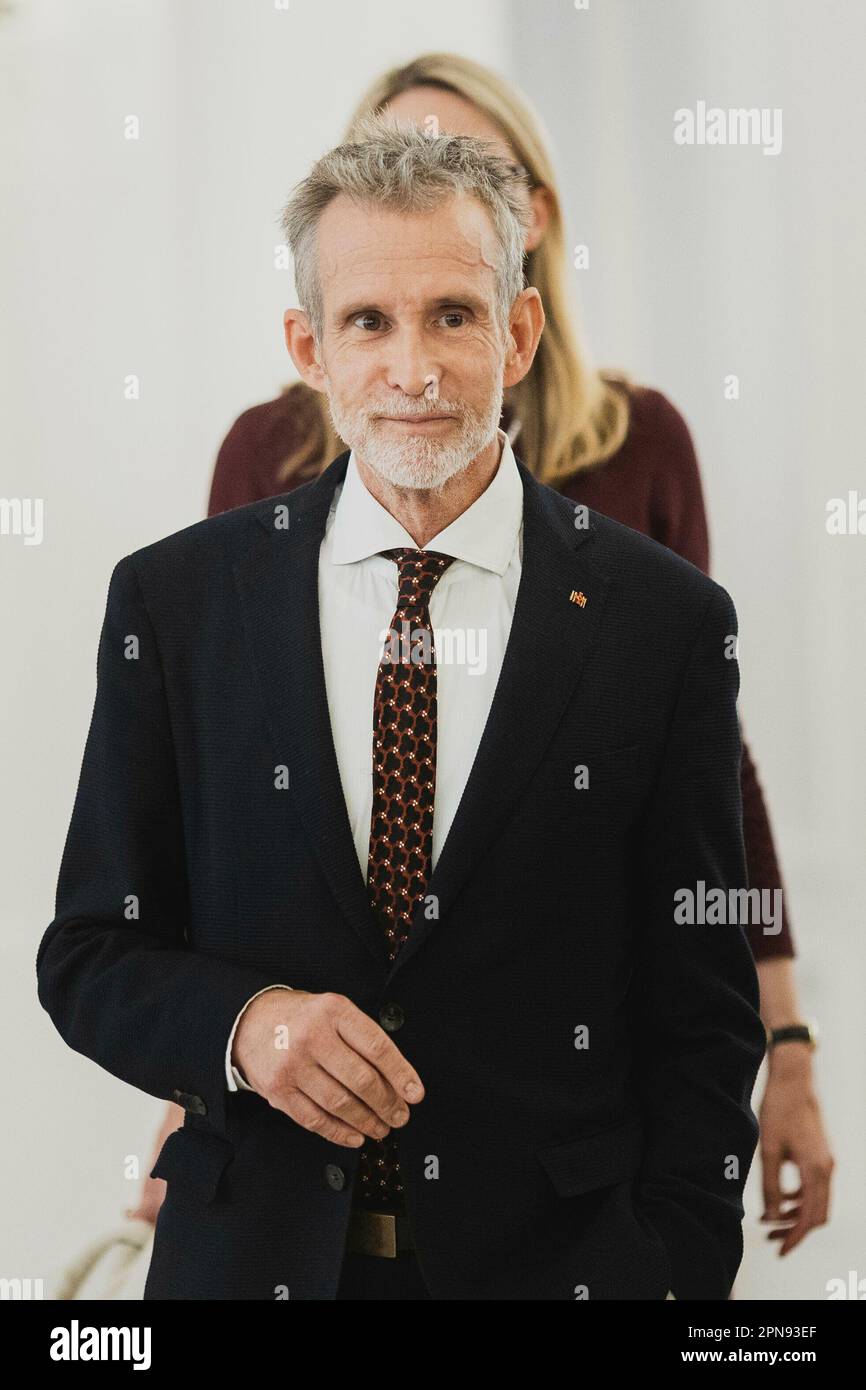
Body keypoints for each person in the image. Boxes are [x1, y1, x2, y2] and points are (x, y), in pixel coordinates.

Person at [40, 117, 766, 1300]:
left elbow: (702, 1012)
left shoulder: (663, 623)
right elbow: (90, 952)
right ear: (309, 348)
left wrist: (672, 1276)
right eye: (367, 322)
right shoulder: (177, 603)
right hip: (248, 1268)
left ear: (518, 331)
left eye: (453, 315)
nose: (412, 369)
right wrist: (248, 1025)